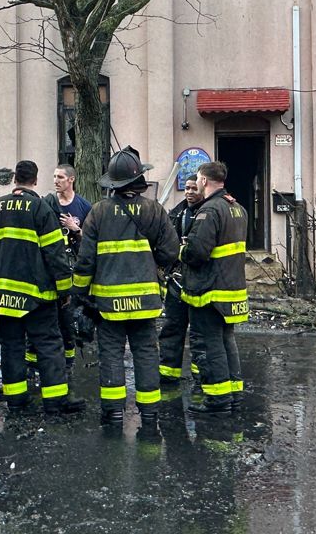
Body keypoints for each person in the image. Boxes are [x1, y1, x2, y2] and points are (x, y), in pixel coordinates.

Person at [72, 147, 179, 425]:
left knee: (111, 353)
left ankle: (114, 412)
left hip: (109, 305)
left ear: (114, 184)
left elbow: (86, 261)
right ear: (139, 180)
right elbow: (171, 252)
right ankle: (150, 412)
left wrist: (80, 294)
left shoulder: (98, 212)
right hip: (146, 303)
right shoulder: (154, 210)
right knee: (145, 353)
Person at [0, 160, 83, 415]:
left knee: (11, 346)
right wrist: (64, 292)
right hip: (37, 296)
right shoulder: (40, 208)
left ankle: (16, 401)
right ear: (35, 180)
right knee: (49, 345)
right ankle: (55, 401)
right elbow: (55, 254)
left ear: (15, 178)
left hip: (3, 295)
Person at [180, 161, 249, 415]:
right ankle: (233, 394)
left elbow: (197, 252)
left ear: (205, 181)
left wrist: (181, 250)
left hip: (210, 291)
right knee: (227, 340)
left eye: (198, 180)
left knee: (210, 345)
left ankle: (218, 400)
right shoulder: (237, 208)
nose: (196, 184)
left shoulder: (209, 211)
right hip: (232, 289)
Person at [39, 164, 92, 368]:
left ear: (71, 180)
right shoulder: (46, 204)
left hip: (72, 267)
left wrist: (75, 228)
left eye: (60, 177)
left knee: (68, 316)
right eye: (54, 176)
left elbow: (92, 240)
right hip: (51, 266)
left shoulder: (84, 206)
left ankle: (69, 361)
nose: (55, 181)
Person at [159, 177, 205, 388]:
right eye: (186, 188)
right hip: (177, 281)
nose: (189, 192)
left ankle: (200, 376)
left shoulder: (207, 213)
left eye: (194, 188)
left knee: (199, 332)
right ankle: (168, 373)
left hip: (198, 282)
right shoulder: (178, 213)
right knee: (172, 327)